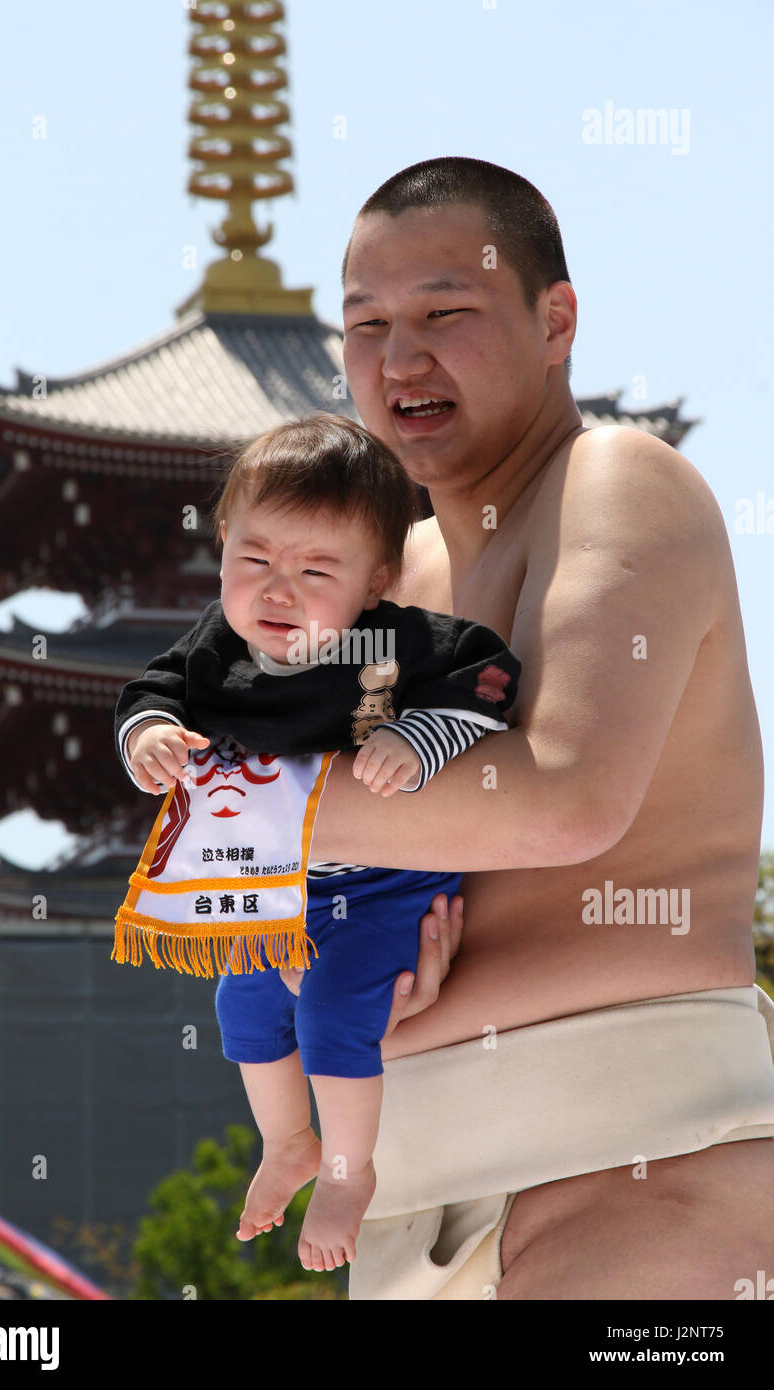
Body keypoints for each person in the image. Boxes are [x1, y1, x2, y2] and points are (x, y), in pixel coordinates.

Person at [286, 155, 774, 1298]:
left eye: (442, 313)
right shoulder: (383, 583)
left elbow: (563, 795)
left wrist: (246, 806)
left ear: (554, 320)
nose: (398, 360)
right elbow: (286, 873)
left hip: (638, 1171)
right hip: (403, 1202)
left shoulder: (616, 478)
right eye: (365, 325)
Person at [113, 413, 521, 1271]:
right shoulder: (216, 646)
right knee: (241, 1004)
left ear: (376, 582)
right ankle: (287, 1141)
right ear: (223, 545)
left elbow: (490, 677)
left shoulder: (397, 642)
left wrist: (418, 738)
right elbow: (150, 692)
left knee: (332, 1014)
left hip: (386, 886)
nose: (277, 591)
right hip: (273, 884)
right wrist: (149, 735)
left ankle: (347, 1170)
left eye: (315, 571)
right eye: (254, 559)